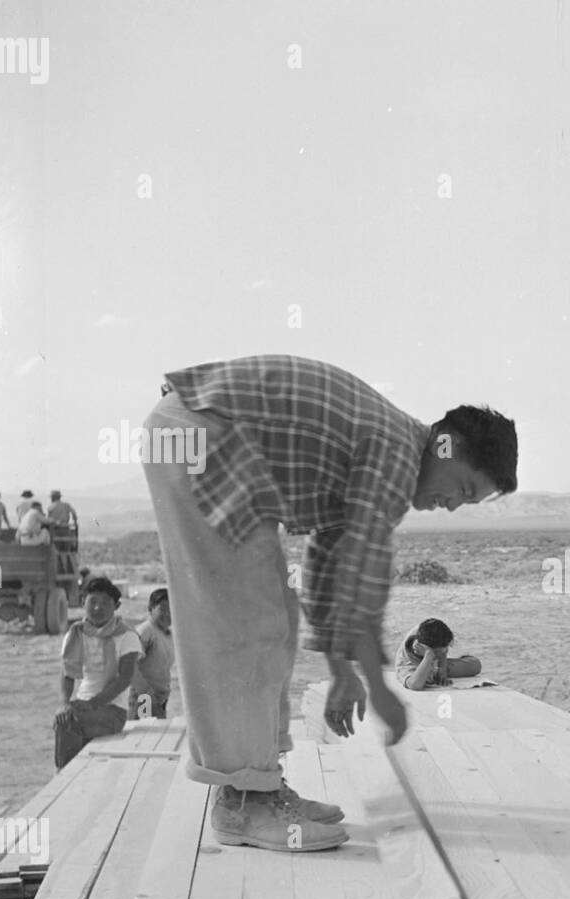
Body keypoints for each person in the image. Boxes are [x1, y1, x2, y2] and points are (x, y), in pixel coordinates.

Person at [141, 354, 517, 852]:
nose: (452, 505)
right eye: (463, 488)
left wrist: (341, 667)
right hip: (200, 436)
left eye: (467, 503)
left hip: (208, 440)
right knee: (240, 626)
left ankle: (259, 789)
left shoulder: (393, 454)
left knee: (274, 620)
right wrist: (344, 673)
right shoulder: (396, 454)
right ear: (444, 444)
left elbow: (327, 558)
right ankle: (243, 804)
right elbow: (362, 564)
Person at [54, 576, 142, 769]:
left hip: (113, 710)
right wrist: (63, 703)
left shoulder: (127, 635)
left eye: (105, 603)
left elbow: (124, 679)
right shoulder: (76, 633)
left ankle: (65, 775)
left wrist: (92, 704)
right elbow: (67, 673)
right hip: (83, 704)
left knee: (70, 722)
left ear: (117, 606)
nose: (97, 608)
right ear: (83, 601)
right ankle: (68, 774)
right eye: (92, 602)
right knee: (63, 718)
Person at [395, 618, 482, 691]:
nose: (444, 651)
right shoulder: (405, 664)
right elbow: (414, 685)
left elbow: (442, 644)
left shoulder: (423, 630)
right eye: (438, 652)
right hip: (420, 669)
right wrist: (429, 655)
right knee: (421, 680)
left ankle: (449, 661)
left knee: (476, 666)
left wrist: (442, 666)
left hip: (435, 666)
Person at [127, 587, 176, 719]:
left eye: (171, 609)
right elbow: (130, 665)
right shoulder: (146, 631)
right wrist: (147, 694)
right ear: (151, 609)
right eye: (163, 609)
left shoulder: (168, 634)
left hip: (160, 698)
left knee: (156, 734)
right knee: (144, 735)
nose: (168, 614)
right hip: (144, 698)